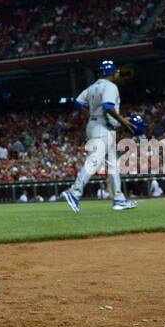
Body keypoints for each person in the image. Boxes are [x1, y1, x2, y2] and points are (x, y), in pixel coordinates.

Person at [61, 60, 139, 213]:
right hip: (103, 128)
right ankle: (74, 192)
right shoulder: (110, 86)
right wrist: (123, 122)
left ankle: (119, 199)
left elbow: (77, 103)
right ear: (114, 72)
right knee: (95, 160)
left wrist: (91, 115)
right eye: (117, 71)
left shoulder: (92, 87)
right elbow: (108, 106)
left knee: (113, 165)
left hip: (96, 125)